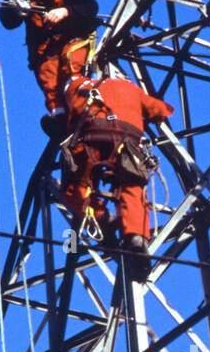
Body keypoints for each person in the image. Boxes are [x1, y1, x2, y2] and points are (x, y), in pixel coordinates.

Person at [60, 66, 173, 265]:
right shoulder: (130, 88)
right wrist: (163, 112)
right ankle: (136, 238)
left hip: (90, 138)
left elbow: (67, 112)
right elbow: (158, 109)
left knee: (73, 187)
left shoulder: (78, 85)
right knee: (133, 187)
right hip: (127, 140)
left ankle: (101, 216)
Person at [0, 0, 99, 133]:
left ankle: (83, 110)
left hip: (74, 39)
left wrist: (66, 12)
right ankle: (59, 119)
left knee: (72, 69)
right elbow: (7, 21)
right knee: (49, 80)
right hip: (45, 48)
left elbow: (89, 6)